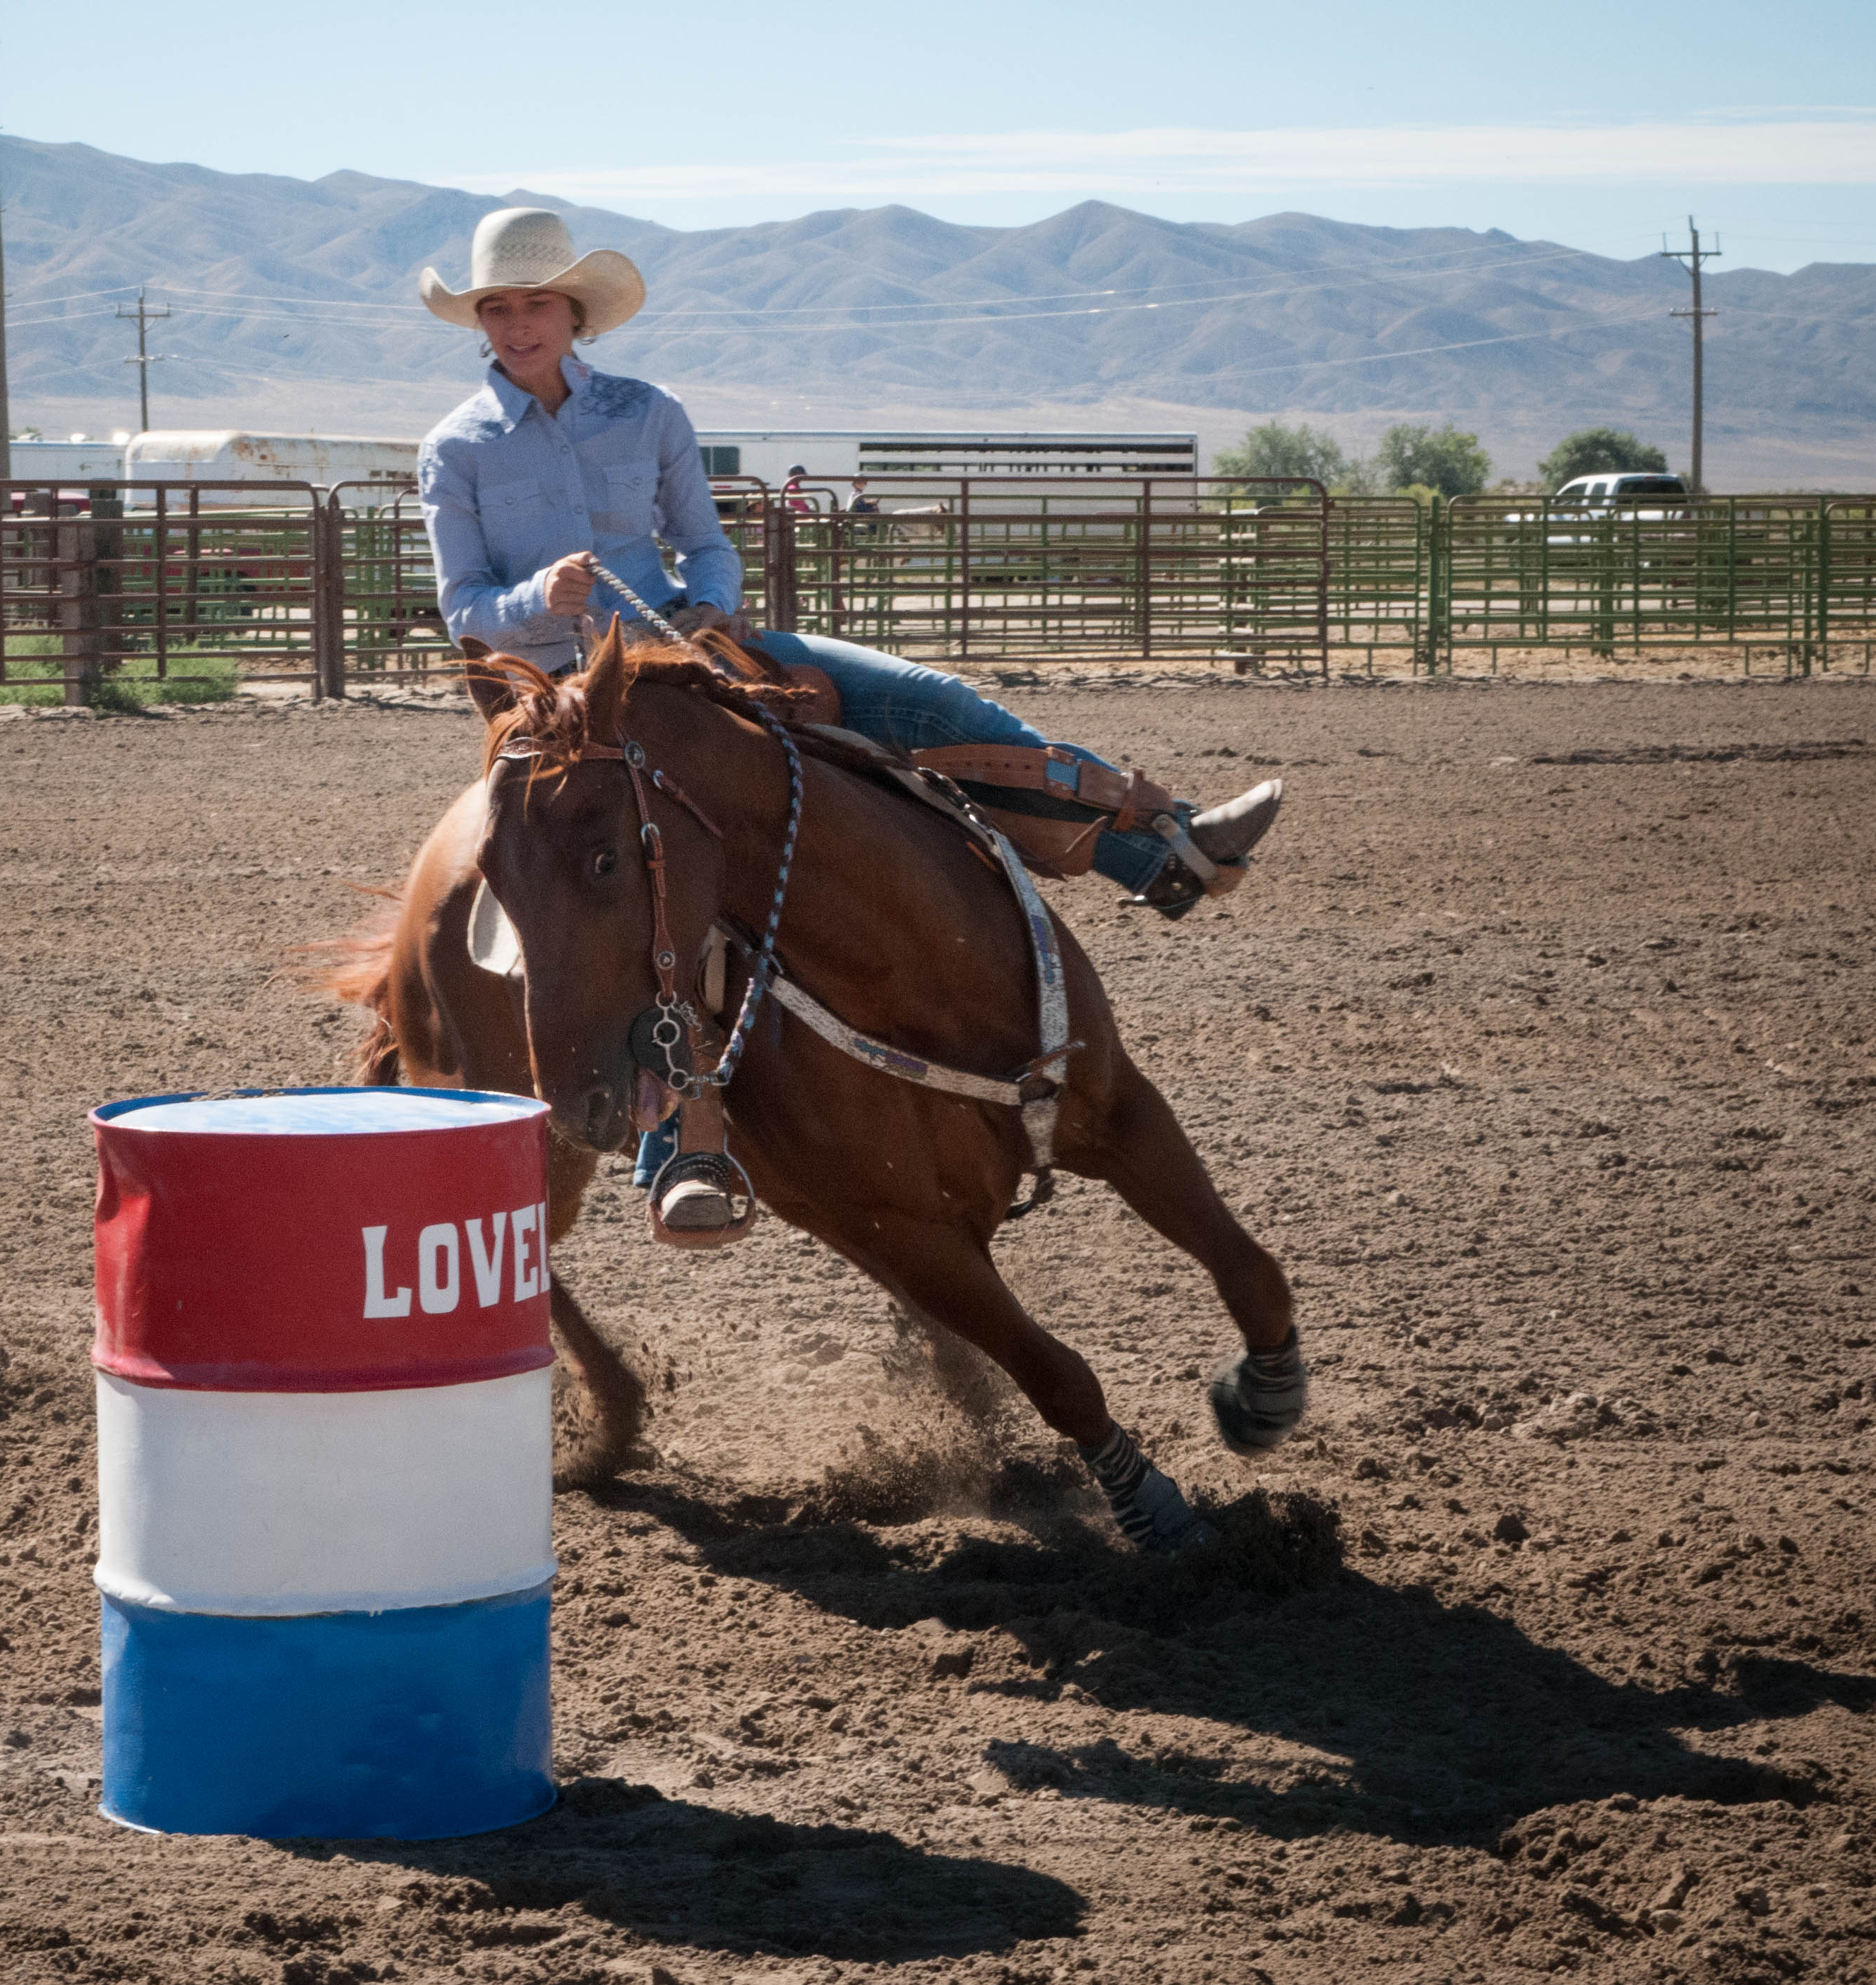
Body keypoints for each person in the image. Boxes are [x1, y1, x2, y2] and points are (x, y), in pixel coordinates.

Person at [415, 208, 1283, 1234]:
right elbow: (463, 604)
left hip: (689, 660)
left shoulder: (648, 414)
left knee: (921, 704)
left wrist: (711, 603)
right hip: (566, 705)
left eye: (539, 306)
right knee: (649, 890)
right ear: (481, 320)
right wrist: (534, 605)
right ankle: (682, 1143)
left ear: (575, 315)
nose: (521, 325)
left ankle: (1159, 846)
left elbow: (706, 542)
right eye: (501, 309)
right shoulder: (456, 449)